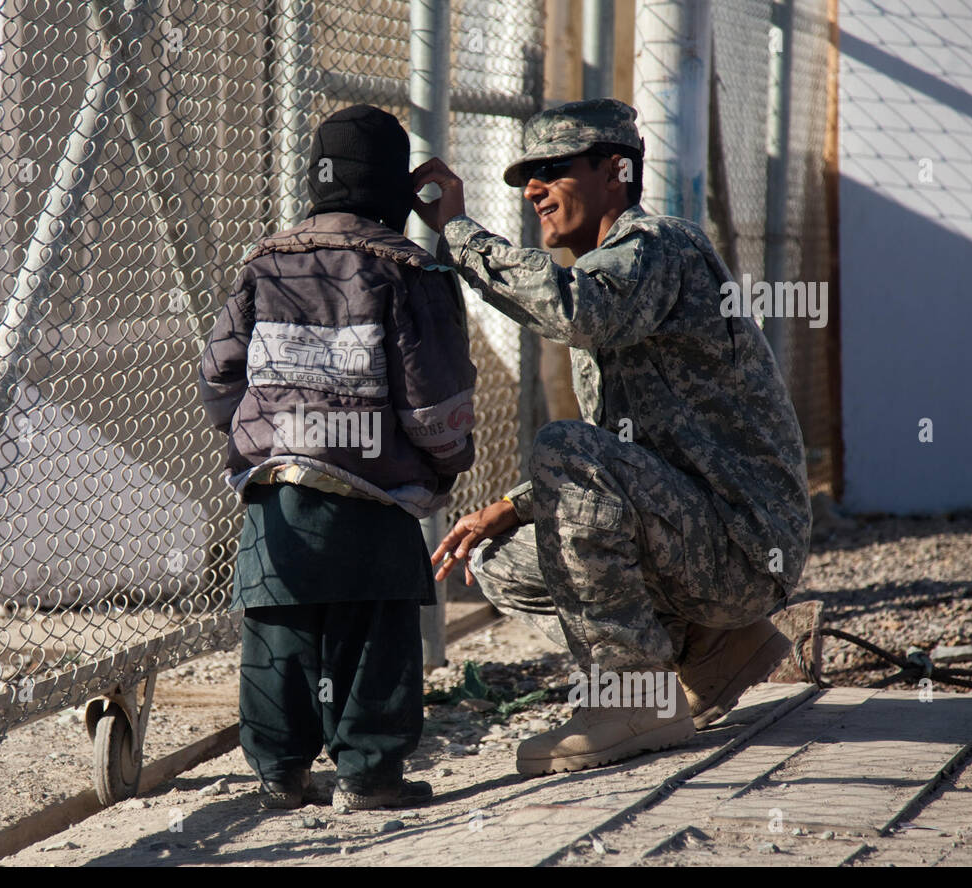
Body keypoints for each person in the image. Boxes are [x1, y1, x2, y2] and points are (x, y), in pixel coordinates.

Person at [415, 98, 812, 776]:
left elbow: (573, 309)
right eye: (525, 177)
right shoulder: (615, 270)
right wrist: (509, 506)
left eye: (552, 169)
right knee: (500, 557)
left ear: (616, 171)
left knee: (561, 447)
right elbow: (619, 454)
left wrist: (458, 232)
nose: (533, 189)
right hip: (707, 538)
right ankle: (712, 650)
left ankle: (633, 696)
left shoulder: (659, 247)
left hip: (745, 545)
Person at [200, 104, 477, 810]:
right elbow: (431, 396)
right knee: (375, 632)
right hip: (375, 491)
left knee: (279, 632)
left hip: (279, 491)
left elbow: (219, 374)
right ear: (396, 188)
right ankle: (369, 773)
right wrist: (445, 459)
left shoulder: (263, 261)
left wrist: (262, 437)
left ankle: (278, 772)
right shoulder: (408, 269)